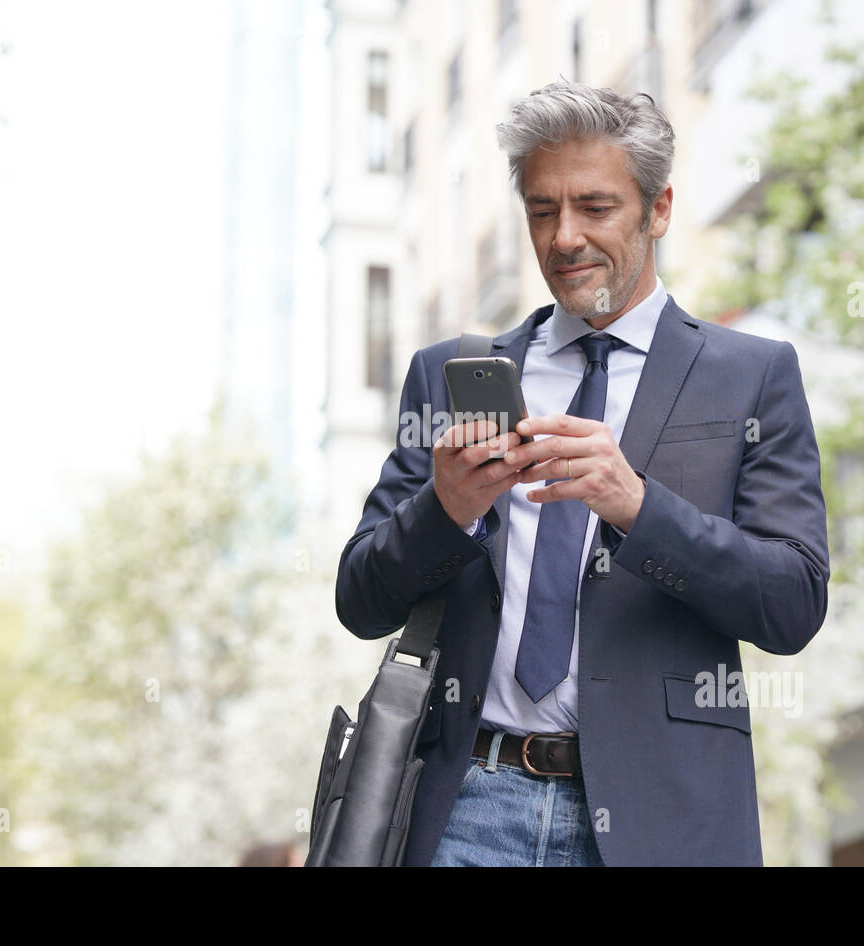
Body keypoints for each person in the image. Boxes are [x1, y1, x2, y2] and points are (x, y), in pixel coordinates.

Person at [334, 80, 829, 866]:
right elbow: (359, 597)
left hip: (660, 821)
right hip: (467, 809)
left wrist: (636, 504)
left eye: (595, 208)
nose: (564, 237)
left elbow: (794, 602)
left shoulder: (751, 376)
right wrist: (446, 509)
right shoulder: (451, 374)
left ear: (657, 210)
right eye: (542, 209)